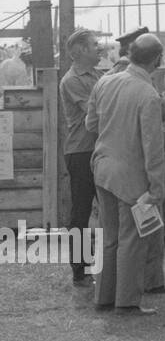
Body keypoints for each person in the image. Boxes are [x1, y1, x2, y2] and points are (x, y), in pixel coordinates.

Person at [85, 33, 165, 315]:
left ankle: (104, 297)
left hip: (103, 168)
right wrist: (156, 189)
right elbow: (152, 148)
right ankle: (127, 302)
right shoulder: (148, 94)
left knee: (109, 237)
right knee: (132, 239)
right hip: (130, 175)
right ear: (157, 59)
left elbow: (90, 124)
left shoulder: (104, 82)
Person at [59, 28, 104, 285]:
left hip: (98, 149)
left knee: (109, 207)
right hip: (81, 152)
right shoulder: (71, 80)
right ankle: (79, 269)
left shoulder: (98, 74)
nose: (100, 48)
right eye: (94, 44)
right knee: (81, 211)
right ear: (80, 52)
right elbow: (94, 112)